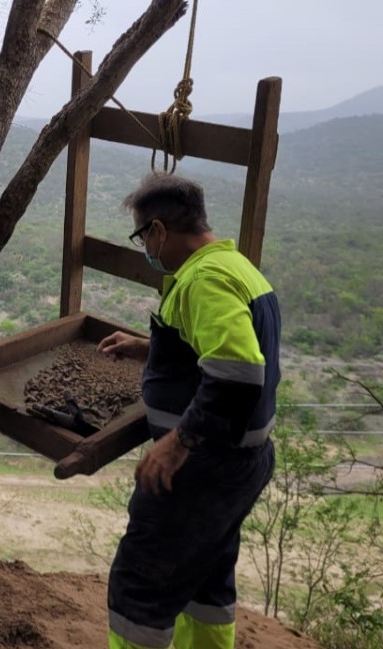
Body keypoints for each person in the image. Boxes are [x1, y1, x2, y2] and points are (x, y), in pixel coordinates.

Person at [98, 173, 280, 649]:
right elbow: (219, 348)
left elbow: (239, 372)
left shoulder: (204, 279)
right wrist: (150, 349)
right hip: (241, 464)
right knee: (206, 584)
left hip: (202, 470)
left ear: (158, 230)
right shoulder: (235, 266)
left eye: (142, 236)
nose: (146, 248)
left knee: (139, 591)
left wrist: (177, 444)